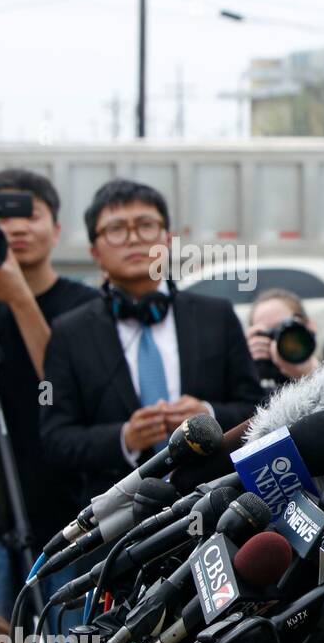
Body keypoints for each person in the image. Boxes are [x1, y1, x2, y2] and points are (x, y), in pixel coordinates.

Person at [40, 178, 263, 515]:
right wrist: (125, 438)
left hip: (214, 507)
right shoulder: (69, 332)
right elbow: (55, 438)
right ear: (95, 252)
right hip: (115, 521)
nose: (133, 238)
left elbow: (258, 410)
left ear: (167, 239)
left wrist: (208, 415)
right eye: (116, 229)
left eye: (145, 225)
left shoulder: (216, 315)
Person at [0, 170, 99, 621]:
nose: (15, 227)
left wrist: (19, 298)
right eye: (1, 215)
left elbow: (59, 390)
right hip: (0, 517)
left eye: (28, 214)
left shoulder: (84, 306)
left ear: (56, 230)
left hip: (66, 517)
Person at [246, 288, 321, 392]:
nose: (277, 343)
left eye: (283, 330)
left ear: (310, 327)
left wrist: (310, 373)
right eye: (267, 334)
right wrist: (245, 365)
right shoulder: (253, 388)